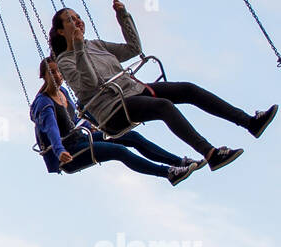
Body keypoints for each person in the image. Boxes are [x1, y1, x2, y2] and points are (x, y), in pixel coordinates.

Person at [50, 0, 277, 171]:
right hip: (112, 109)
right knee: (163, 106)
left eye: (78, 17)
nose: (77, 21)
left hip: (132, 91)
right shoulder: (65, 61)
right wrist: (78, 47)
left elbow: (133, 49)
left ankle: (249, 122)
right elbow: (90, 83)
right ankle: (211, 154)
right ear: (61, 30)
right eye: (70, 20)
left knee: (188, 89)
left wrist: (123, 16)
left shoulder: (96, 44)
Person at [31, 59, 200, 185]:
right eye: (51, 73)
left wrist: (92, 126)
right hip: (69, 153)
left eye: (58, 71)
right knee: (118, 151)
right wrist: (59, 151)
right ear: (43, 76)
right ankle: (168, 173)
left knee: (133, 137)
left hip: (82, 139)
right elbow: (51, 127)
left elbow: (74, 119)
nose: (57, 76)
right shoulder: (43, 102)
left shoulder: (63, 92)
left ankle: (179, 162)